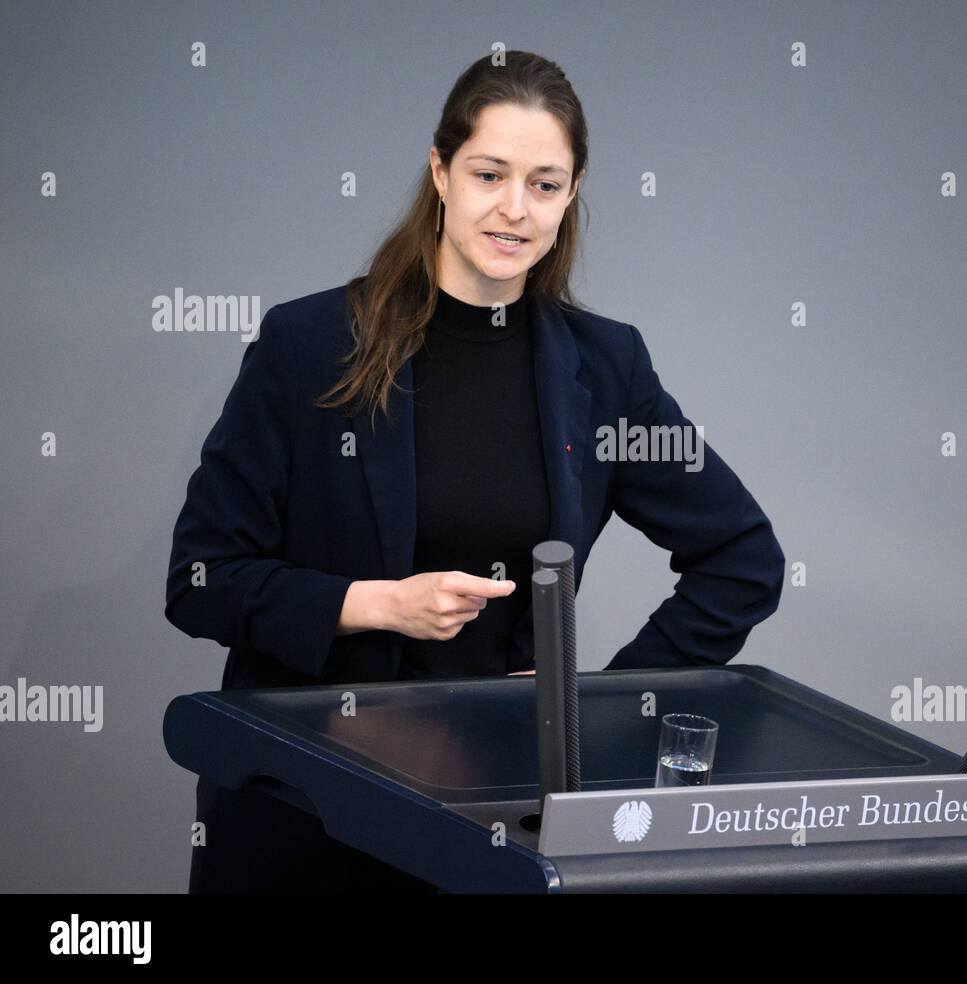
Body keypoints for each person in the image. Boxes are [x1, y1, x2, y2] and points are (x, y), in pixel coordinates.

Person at [165, 50, 785, 893]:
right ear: (441, 172)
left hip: (493, 829)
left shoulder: (607, 368)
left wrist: (592, 704)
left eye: (545, 184)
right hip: (302, 809)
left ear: (571, 198)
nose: (514, 209)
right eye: (490, 173)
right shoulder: (306, 345)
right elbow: (202, 580)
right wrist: (383, 604)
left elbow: (742, 559)